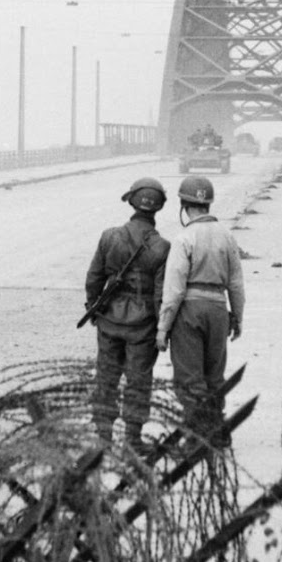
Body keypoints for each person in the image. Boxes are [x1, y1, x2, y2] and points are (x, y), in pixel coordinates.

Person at [156, 174, 245, 451]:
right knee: (214, 375)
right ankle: (218, 430)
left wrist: (163, 327)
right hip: (219, 309)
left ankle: (196, 437)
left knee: (189, 378)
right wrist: (237, 317)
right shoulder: (227, 236)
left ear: (184, 205)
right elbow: (236, 283)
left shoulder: (184, 238)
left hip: (189, 311)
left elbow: (174, 290)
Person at [84, 177, 171, 453]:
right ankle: (132, 438)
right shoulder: (163, 247)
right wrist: (161, 328)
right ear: (158, 207)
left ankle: (103, 437)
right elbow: (160, 294)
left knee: (106, 375)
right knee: (138, 379)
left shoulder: (110, 236)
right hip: (143, 324)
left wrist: (93, 308)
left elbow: (94, 278)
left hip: (109, 319)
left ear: (131, 201)